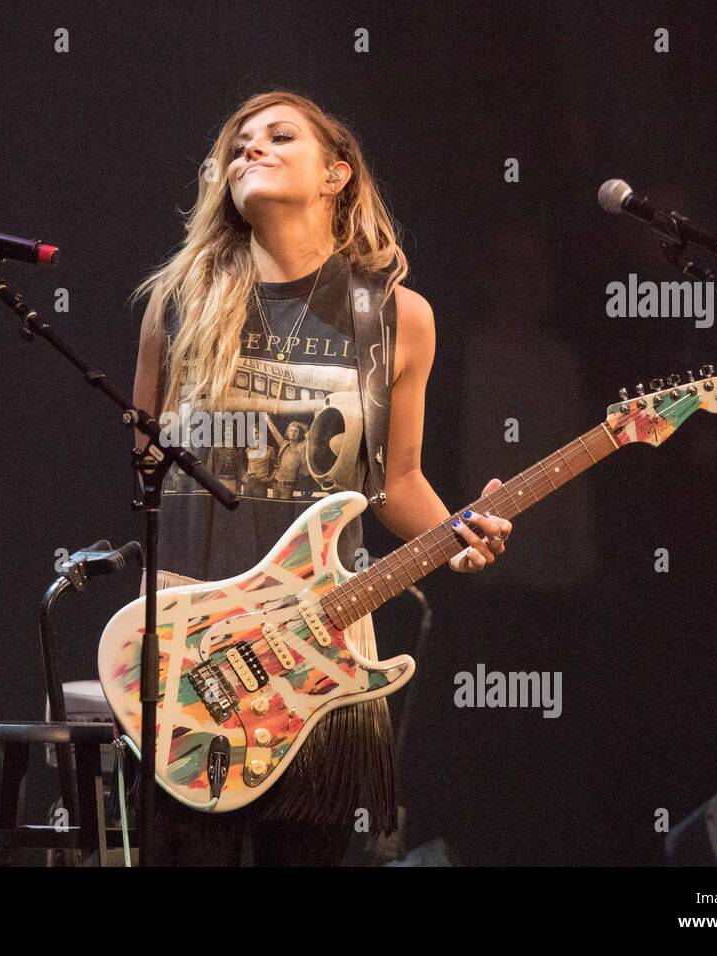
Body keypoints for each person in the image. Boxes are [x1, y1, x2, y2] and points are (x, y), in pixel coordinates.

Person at [130, 89, 514, 866]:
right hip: (194, 644)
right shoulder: (179, 303)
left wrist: (459, 534)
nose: (251, 151)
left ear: (337, 174)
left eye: (278, 137)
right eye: (238, 146)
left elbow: (397, 482)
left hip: (320, 649)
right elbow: (143, 461)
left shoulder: (400, 317)